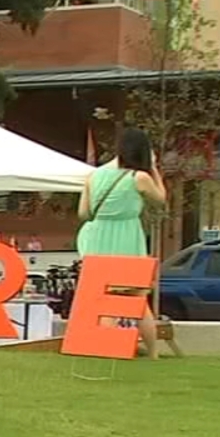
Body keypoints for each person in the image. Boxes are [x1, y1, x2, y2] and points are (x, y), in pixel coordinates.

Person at [76, 127, 168, 358]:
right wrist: (155, 169)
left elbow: (84, 213)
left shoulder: (93, 176)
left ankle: (101, 346)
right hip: (126, 237)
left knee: (104, 298)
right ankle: (153, 352)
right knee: (137, 298)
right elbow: (160, 200)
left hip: (97, 239)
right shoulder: (139, 177)